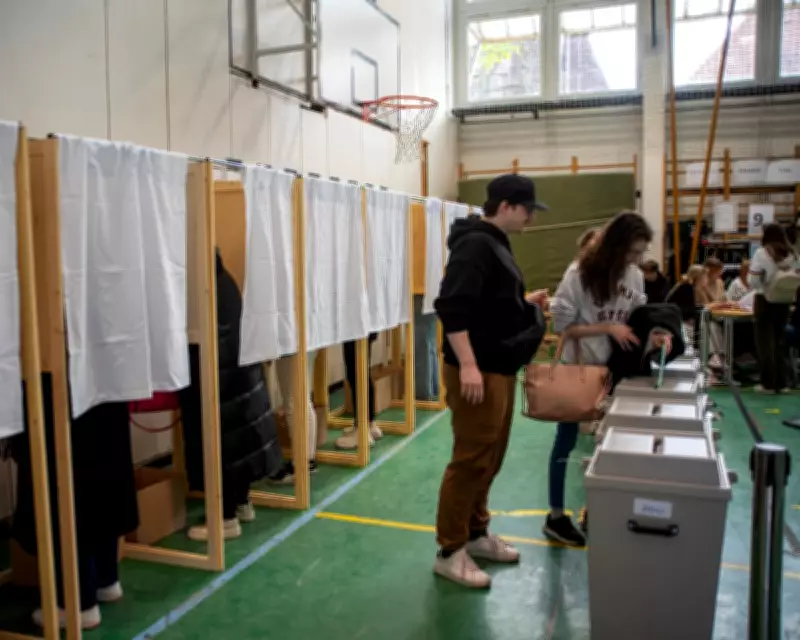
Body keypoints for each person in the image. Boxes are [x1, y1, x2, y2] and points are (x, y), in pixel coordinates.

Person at [433, 174, 547, 589]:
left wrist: (523, 301)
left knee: (490, 456)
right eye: (528, 208)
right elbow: (451, 306)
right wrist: (466, 365)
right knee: (470, 460)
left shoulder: (494, 242)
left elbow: (487, 303)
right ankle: (450, 550)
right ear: (506, 206)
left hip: (496, 366)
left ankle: (476, 534)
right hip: (478, 370)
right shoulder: (476, 244)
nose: (532, 217)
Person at [547, 211, 652, 546]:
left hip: (616, 370)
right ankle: (556, 516)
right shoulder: (579, 274)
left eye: (640, 253)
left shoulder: (634, 276)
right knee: (565, 443)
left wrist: (654, 334)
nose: (636, 260)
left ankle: (597, 510)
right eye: (632, 252)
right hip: (578, 369)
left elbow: (638, 317)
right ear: (615, 246)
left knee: (610, 443)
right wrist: (607, 327)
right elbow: (561, 327)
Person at [181, 251, 283, 540]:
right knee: (239, 448)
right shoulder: (224, 280)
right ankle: (241, 504)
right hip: (241, 382)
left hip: (223, 385)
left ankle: (224, 520)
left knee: (221, 446)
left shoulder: (205, 288)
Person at [750, 223, 799, 394]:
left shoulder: (762, 253)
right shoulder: (792, 254)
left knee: (765, 343)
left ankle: (768, 384)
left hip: (765, 299)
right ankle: (783, 382)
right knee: (781, 341)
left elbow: (753, 281)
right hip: (785, 300)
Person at [335, 333, 384, 449]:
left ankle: (361, 431)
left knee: (356, 373)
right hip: (365, 325)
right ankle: (368, 424)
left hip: (356, 327)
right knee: (362, 371)